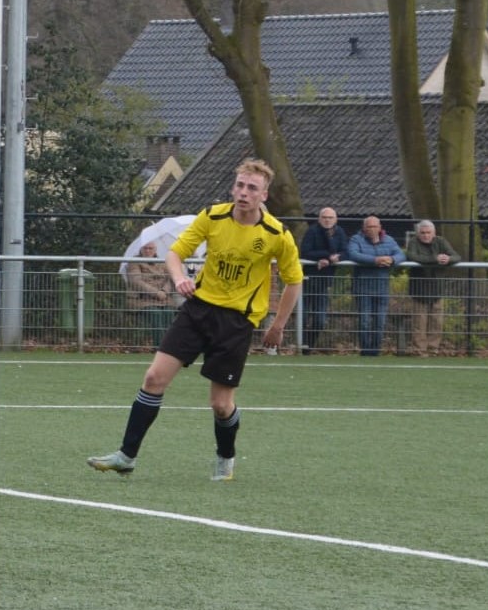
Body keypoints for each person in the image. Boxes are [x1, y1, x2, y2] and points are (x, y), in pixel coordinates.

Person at [86, 159, 302, 483]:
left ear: (264, 195)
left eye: (252, 188)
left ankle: (225, 458)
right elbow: (175, 254)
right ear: (233, 188)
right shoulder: (212, 216)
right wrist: (178, 279)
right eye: (240, 185)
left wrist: (278, 325)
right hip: (197, 310)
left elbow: (294, 281)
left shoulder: (276, 234)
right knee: (154, 378)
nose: (244, 192)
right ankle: (126, 456)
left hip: (237, 322)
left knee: (221, 405)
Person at [345, 215, 403, 357]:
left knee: (380, 321)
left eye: (375, 226)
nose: (372, 229)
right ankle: (365, 350)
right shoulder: (356, 239)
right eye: (369, 226)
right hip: (362, 286)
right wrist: (375, 260)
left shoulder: (389, 240)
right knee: (364, 321)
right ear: (364, 228)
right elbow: (353, 254)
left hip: (382, 287)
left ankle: (375, 350)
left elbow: (401, 254)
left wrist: (391, 259)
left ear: (380, 227)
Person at [403, 219, 460, 356]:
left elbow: (456, 256)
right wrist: (435, 259)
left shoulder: (441, 241)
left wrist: (448, 259)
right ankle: (419, 350)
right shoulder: (413, 242)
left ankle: (433, 349)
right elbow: (412, 256)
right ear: (418, 233)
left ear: (434, 233)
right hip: (419, 289)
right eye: (423, 233)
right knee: (419, 322)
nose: (426, 235)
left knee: (437, 321)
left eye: (428, 232)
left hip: (437, 288)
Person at [298, 207, 350, 352]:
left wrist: (337, 257)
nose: (327, 220)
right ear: (319, 219)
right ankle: (301, 346)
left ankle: (308, 346)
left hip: (325, 281)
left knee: (319, 320)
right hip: (308, 279)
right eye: (325, 217)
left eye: (330, 217)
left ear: (336, 219)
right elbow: (305, 252)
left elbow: (346, 252)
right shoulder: (312, 231)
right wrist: (326, 256)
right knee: (303, 316)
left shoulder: (339, 232)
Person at [122, 242, 179, 348]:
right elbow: (136, 281)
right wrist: (155, 293)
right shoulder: (134, 262)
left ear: (155, 249)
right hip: (141, 300)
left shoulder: (162, 261)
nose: (148, 251)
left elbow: (170, 279)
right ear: (141, 249)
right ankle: (159, 347)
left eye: (150, 248)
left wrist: (164, 291)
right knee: (155, 313)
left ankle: (169, 346)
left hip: (163, 298)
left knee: (169, 312)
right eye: (145, 248)